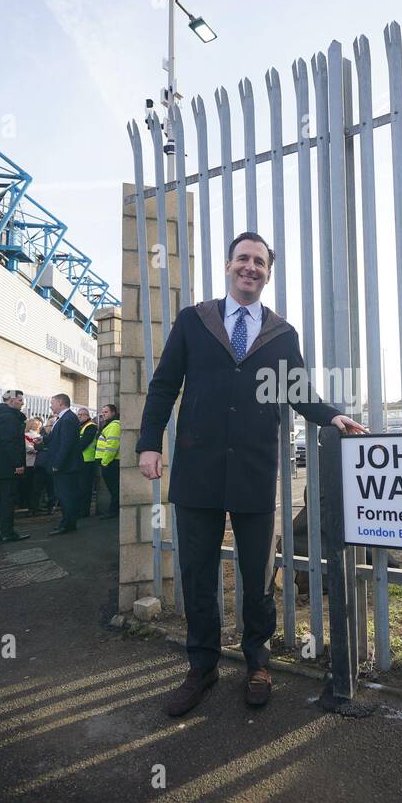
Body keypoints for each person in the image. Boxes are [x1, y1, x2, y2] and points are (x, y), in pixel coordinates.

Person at [137, 231, 366, 715]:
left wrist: (331, 416)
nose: (250, 267)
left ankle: (257, 661)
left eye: (260, 262)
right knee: (198, 575)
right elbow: (162, 386)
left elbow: (299, 390)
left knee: (258, 575)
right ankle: (201, 667)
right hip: (197, 469)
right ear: (228, 266)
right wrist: (149, 443)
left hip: (254, 471)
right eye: (243, 259)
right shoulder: (194, 321)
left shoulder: (281, 334)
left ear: (267, 272)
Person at [0, 390, 29, 542]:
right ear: (10, 401)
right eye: (20, 400)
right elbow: (9, 442)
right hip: (7, 468)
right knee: (7, 501)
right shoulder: (8, 417)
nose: (22, 403)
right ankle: (7, 533)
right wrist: (18, 464)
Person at [45, 393, 82, 535]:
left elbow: (66, 444)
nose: (51, 405)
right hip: (65, 466)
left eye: (52, 403)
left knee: (66, 496)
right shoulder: (63, 418)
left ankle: (68, 525)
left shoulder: (68, 419)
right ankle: (66, 522)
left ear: (60, 403)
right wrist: (43, 441)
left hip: (66, 467)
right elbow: (56, 440)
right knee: (63, 495)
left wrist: (57, 464)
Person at [96, 404, 121, 519]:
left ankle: (113, 512)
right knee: (114, 489)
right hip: (109, 462)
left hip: (110, 462)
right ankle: (113, 511)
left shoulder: (114, 425)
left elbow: (112, 446)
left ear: (113, 412)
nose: (103, 414)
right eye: (102, 412)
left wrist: (105, 462)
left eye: (106, 412)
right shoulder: (110, 425)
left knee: (114, 489)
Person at [77, 407, 99, 519]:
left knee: (85, 487)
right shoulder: (81, 426)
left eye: (81, 415)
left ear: (87, 415)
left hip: (87, 460)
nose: (79, 417)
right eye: (78, 415)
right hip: (82, 460)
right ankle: (81, 510)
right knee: (80, 487)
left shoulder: (91, 426)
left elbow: (84, 443)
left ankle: (84, 511)